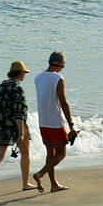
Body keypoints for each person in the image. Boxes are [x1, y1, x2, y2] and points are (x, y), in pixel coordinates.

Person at [0, 60, 39, 198]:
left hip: (0, 124)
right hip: (15, 125)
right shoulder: (17, 88)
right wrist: (21, 132)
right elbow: (19, 112)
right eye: (24, 72)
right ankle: (25, 184)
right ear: (20, 73)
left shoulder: (1, 86)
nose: (25, 75)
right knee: (25, 153)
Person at [32, 51, 77, 193]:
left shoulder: (38, 77)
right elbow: (63, 103)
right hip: (55, 121)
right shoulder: (58, 78)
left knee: (50, 154)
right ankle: (40, 174)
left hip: (42, 121)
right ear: (58, 63)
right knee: (61, 153)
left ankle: (54, 185)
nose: (63, 67)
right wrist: (71, 125)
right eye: (63, 65)